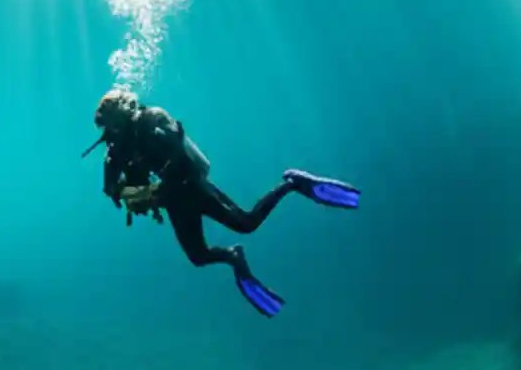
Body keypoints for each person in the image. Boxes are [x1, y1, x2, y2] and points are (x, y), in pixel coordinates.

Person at [83, 88, 360, 318]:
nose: (110, 134)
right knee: (198, 256)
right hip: (173, 202)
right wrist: (119, 192)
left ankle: (293, 183)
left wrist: (156, 187)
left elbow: (179, 157)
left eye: (112, 126)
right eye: (107, 129)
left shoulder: (151, 122)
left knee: (247, 223)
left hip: (193, 187)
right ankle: (233, 257)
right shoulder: (116, 147)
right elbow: (111, 185)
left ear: (122, 116)